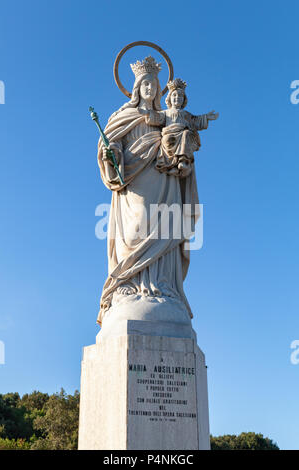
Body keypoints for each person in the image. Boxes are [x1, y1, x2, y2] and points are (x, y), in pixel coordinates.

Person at [96, 57, 200, 326]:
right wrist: (111, 154)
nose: (151, 89)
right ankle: (127, 286)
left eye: (155, 84)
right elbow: (111, 144)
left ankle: (164, 287)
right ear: (137, 87)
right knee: (136, 229)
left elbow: (181, 146)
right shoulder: (122, 116)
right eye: (146, 84)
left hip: (165, 181)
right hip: (135, 184)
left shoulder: (166, 118)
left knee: (166, 230)